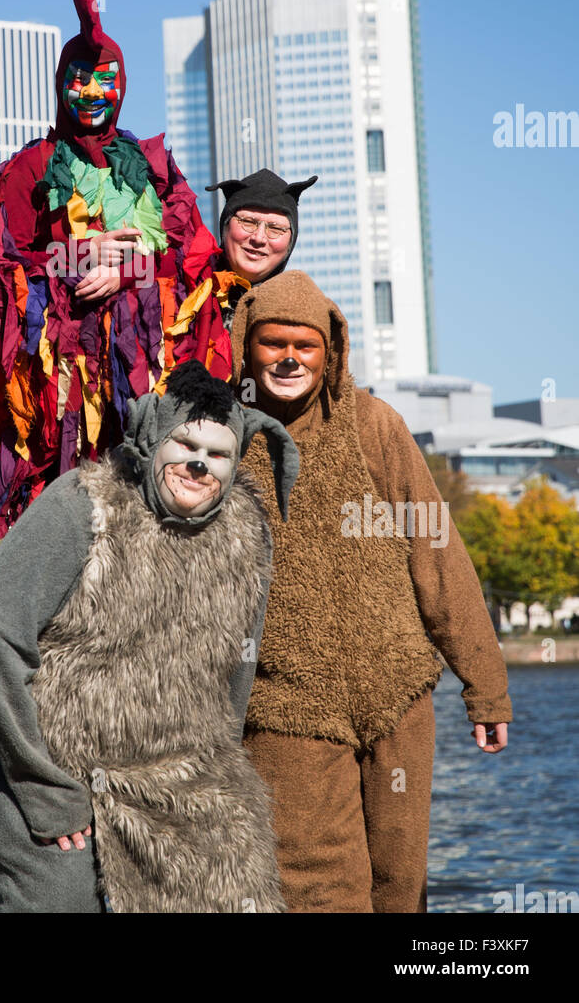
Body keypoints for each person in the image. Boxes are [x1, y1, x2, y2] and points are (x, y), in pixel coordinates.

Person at [0, 360, 300, 913]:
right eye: (185, 445)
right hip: (58, 774)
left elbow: (238, 666)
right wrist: (41, 788)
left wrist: (216, 768)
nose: (199, 464)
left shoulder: (247, 532)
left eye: (218, 454)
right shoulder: (81, 506)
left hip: (180, 779)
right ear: (153, 440)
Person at [229, 271, 512, 913]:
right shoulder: (221, 436)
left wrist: (486, 686)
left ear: (332, 353)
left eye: (306, 346)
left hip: (397, 695)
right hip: (285, 709)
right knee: (314, 890)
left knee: (401, 880)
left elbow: (437, 554)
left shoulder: (374, 426)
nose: (290, 358)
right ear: (247, 346)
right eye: (274, 344)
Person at [0, 0, 229, 537]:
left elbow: (191, 262)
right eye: (79, 79)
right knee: (66, 535)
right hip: (56, 393)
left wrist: (128, 271)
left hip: (144, 388)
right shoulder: (27, 168)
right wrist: (71, 259)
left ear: (122, 84)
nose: (92, 93)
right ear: (60, 83)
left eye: (105, 79)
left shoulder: (154, 170)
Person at [168, 170, 318, 368]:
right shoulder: (178, 289)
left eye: (275, 229)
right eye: (247, 222)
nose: (259, 238)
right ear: (225, 226)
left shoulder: (303, 314)